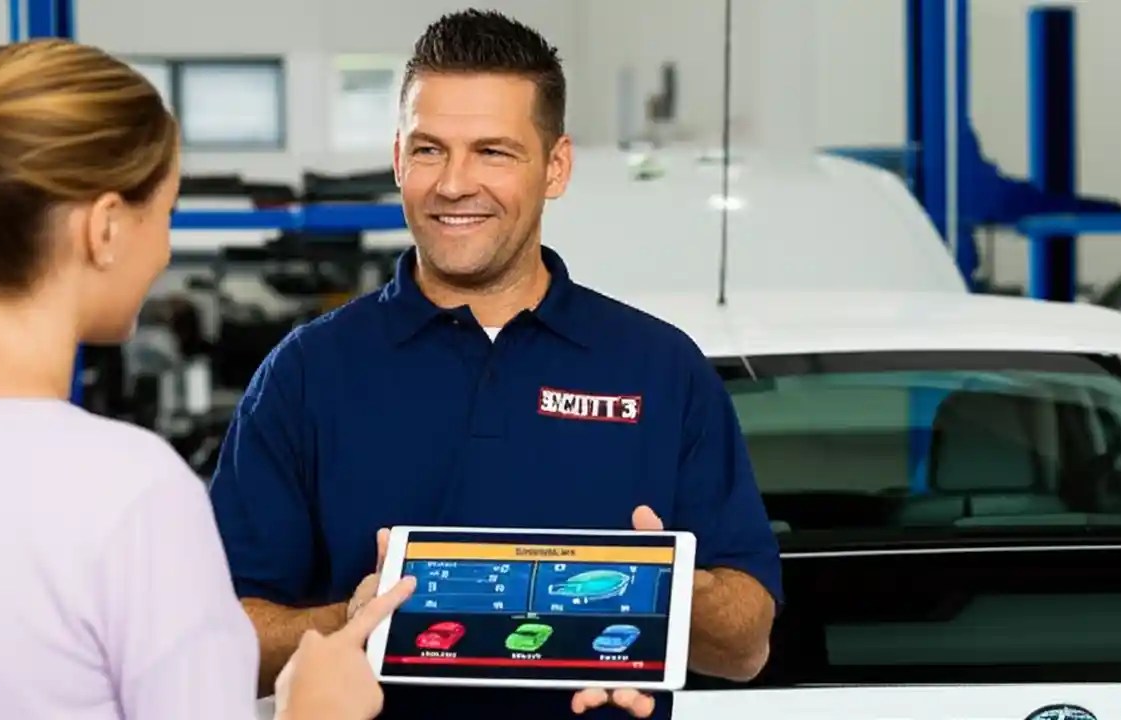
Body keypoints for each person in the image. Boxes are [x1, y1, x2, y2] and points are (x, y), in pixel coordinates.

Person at [209, 8, 782, 720]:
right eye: (428, 150)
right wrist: (347, 621)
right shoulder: (307, 375)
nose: (453, 183)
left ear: (556, 166)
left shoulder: (660, 369)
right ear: (397, 158)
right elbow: (216, 640)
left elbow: (748, 646)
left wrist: (666, 589)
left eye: (493, 152)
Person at [0, 38, 413, 720]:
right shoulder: (129, 493)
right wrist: (313, 710)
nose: (163, 246)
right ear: (103, 228)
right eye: (167, 211)